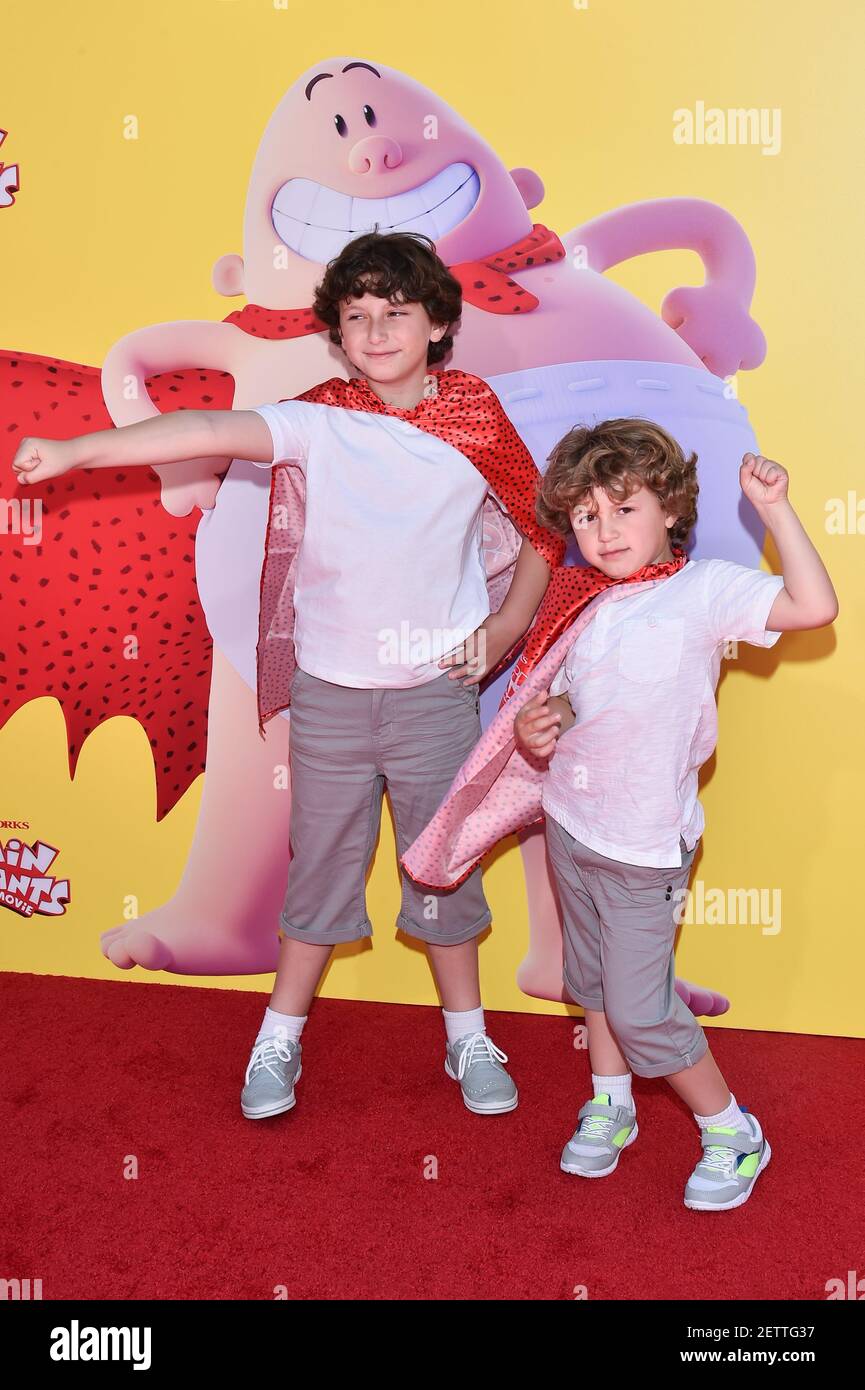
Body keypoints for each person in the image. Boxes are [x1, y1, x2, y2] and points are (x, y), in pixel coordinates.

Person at [12, 230, 566, 1122]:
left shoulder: (478, 420)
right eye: (356, 316)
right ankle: (280, 1037)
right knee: (320, 869)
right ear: (337, 335)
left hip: (435, 699)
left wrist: (502, 629)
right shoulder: (319, 417)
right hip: (331, 696)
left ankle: (468, 1035)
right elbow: (202, 427)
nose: (377, 331)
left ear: (437, 324)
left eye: (396, 313)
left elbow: (542, 533)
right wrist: (77, 452)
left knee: (442, 869)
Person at [401, 416, 838, 1210]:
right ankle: (611, 1102)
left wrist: (774, 509)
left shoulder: (703, 591)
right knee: (592, 983)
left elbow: (813, 607)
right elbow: (585, 694)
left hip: (645, 846)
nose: (603, 531)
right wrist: (547, 718)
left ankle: (731, 1129)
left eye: (623, 508)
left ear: (670, 510)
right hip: (572, 825)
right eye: (585, 516)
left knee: (641, 1011)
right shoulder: (582, 602)